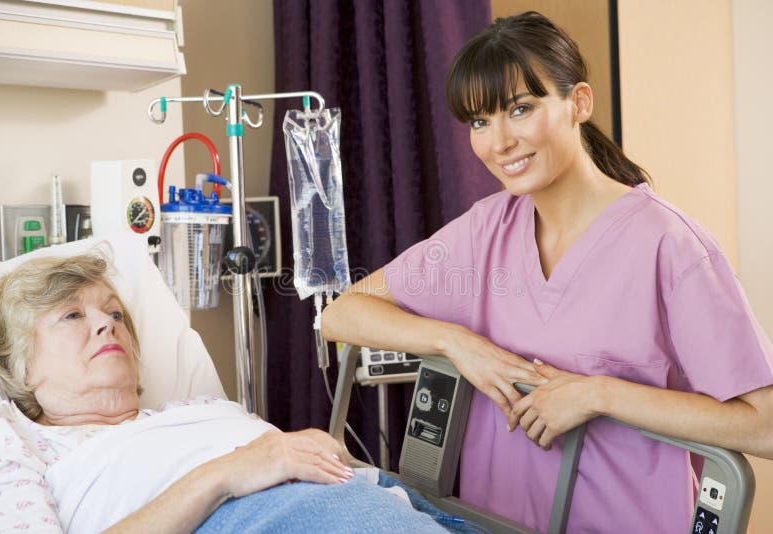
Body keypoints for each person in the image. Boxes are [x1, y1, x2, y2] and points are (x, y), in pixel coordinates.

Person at [321, 11, 773, 534]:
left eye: (520, 109)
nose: (498, 143)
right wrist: (456, 342)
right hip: (490, 523)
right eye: (479, 122)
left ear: (578, 102)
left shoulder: (670, 248)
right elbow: (342, 314)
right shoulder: (486, 230)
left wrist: (599, 394)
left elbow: (765, 425)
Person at [0, 253, 455, 533]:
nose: (106, 324)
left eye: (116, 314)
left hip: (382, 502)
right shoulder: (14, 444)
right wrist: (228, 472)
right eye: (72, 316)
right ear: (21, 363)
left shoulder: (195, 409)